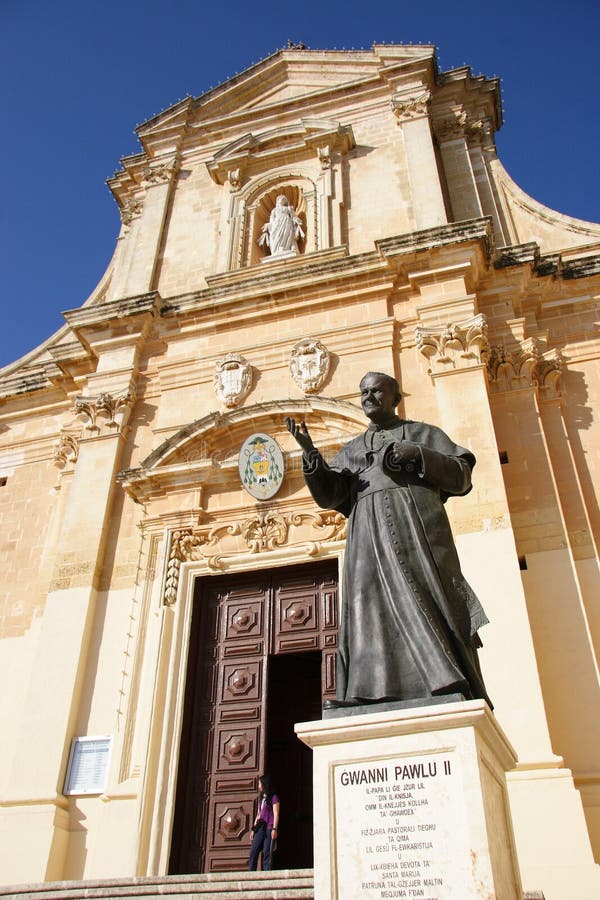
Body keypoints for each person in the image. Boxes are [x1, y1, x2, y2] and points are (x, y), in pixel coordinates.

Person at [286, 372, 492, 709]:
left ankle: (443, 681)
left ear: (395, 397)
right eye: (363, 391)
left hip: (414, 531)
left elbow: (461, 477)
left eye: (376, 390)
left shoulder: (425, 434)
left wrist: (418, 454)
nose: (368, 396)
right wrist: (311, 456)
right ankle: (366, 692)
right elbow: (331, 495)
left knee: (425, 599)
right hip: (365, 539)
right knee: (367, 609)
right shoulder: (352, 450)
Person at [248, 775, 280, 871]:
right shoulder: (262, 798)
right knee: (254, 850)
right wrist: (254, 829)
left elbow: (276, 813)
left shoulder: (274, 797)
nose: (258, 786)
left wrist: (274, 829)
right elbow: (259, 814)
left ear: (264, 784)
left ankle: (267, 873)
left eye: (259, 783)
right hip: (260, 827)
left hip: (269, 827)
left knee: (267, 852)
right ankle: (251, 873)